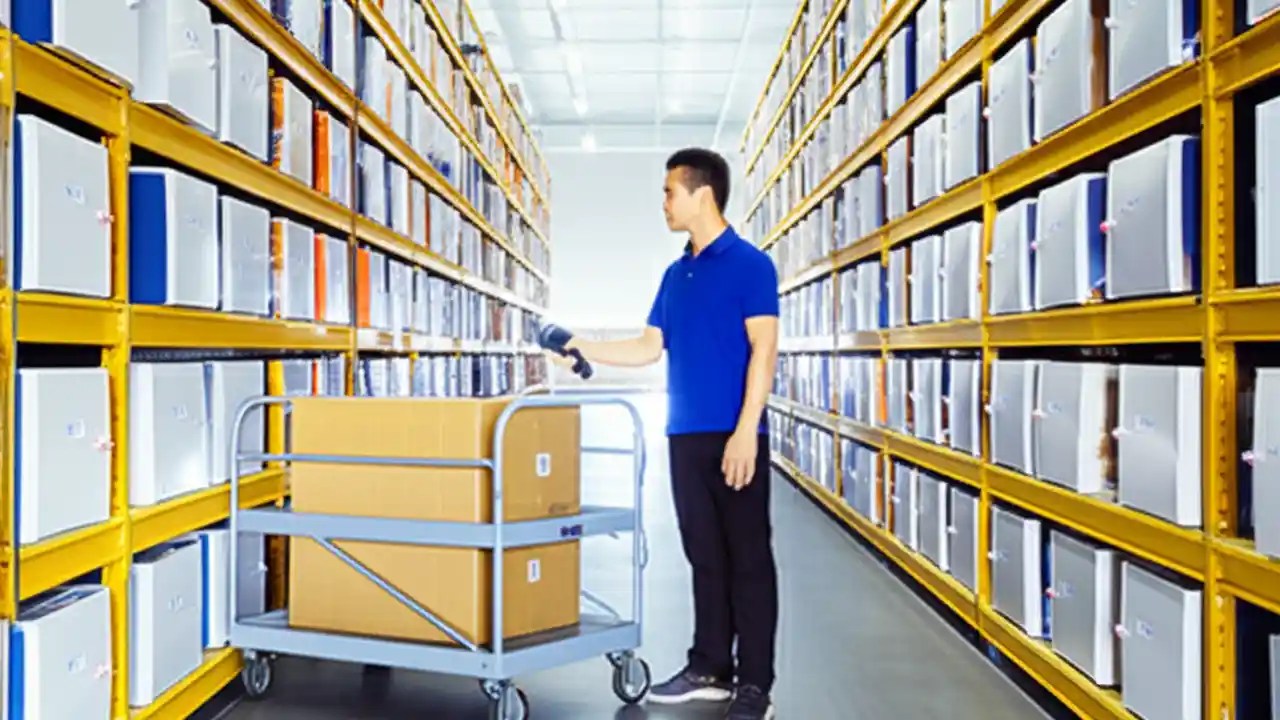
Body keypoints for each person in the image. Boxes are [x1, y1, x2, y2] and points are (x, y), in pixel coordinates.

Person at [554, 147, 780, 720]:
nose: (663, 203)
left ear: (700, 194)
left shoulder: (752, 266)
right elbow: (648, 345)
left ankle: (754, 684)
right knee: (704, 554)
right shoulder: (675, 275)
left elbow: (764, 349)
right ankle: (709, 667)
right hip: (684, 436)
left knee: (749, 558)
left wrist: (746, 430)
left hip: (735, 435)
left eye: (668, 192)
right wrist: (582, 344)